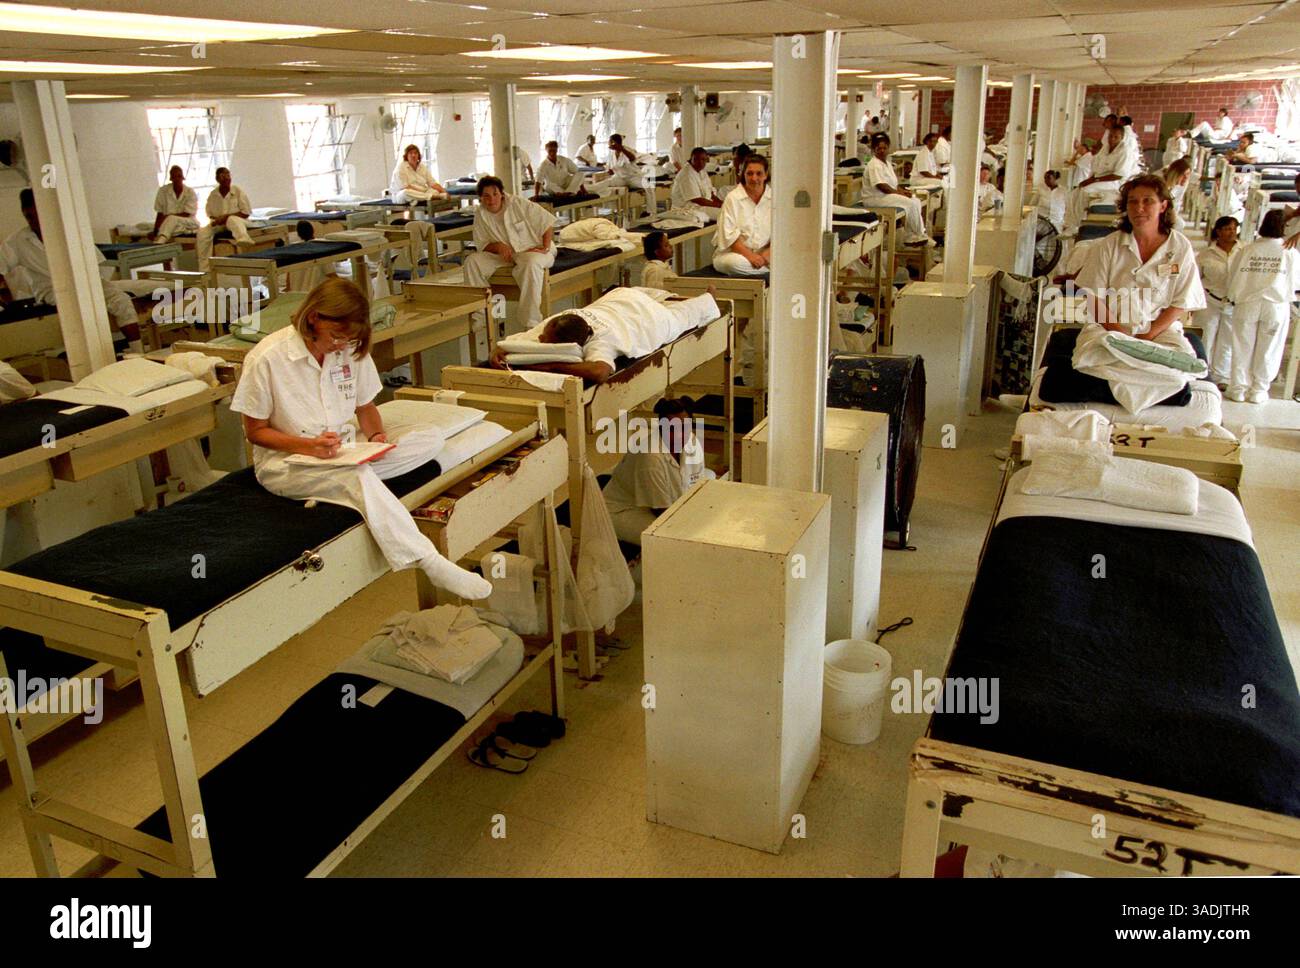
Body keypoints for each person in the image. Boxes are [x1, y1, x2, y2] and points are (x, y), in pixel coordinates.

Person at [231, 277, 491, 600]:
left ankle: (354, 475)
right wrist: (309, 447)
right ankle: (429, 559)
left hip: (342, 450)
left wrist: (377, 437)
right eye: (336, 336)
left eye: (348, 339)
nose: (341, 346)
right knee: (356, 475)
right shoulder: (267, 358)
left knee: (430, 438)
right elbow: (255, 432)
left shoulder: (350, 348)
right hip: (288, 463)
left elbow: (365, 407)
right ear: (314, 318)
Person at [1074, 174, 1205, 350]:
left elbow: (1181, 301)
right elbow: (1093, 297)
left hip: (1160, 331)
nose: (1139, 208)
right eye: (1133, 202)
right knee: (1095, 360)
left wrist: (1148, 335)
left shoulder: (1180, 247)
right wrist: (1119, 334)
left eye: (1147, 201)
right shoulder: (1109, 245)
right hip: (1108, 327)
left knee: (1178, 362)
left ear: (1163, 206)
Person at [0, 188, 142, 351]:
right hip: (51, 289)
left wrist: (92, 286)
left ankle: (138, 352)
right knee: (79, 305)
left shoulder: (70, 232)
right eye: (28, 217)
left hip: (86, 281)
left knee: (121, 300)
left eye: (36, 215)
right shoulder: (17, 241)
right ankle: (95, 352)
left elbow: (94, 264)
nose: (34, 221)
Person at [489, 286, 720, 384]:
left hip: (649, 319)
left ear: (571, 344)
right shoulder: (561, 319)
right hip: (620, 299)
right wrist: (499, 351)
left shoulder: (601, 342)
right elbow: (519, 340)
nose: (540, 340)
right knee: (663, 304)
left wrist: (553, 366)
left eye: (545, 341)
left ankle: (708, 297)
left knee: (680, 317)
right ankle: (665, 295)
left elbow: (600, 372)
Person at [601, 396, 706, 546]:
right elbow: (662, 513)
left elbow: (698, 487)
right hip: (625, 511)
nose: (679, 435)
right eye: (672, 429)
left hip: (661, 502)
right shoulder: (650, 457)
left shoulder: (692, 441)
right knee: (668, 539)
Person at [1223, 208, 1300, 403]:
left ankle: (1238, 389)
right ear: (1284, 227)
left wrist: (1233, 297)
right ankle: (1259, 390)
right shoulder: (1290, 252)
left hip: (1247, 304)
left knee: (1242, 346)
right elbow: (1295, 282)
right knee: (1269, 349)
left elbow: (1233, 278)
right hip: (1275, 306)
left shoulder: (1247, 250)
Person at [462, 176, 555, 332]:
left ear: (502, 194)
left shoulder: (518, 204)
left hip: (534, 249)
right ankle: (481, 315)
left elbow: (547, 222)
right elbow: (482, 244)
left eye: (495, 194)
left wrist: (545, 247)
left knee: (531, 264)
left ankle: (531, 321)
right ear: (481, 198)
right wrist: (498, 247)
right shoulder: (480, 213)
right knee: (472, 262)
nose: (491, 199)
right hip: (505, 255)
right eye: (486, 196)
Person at [1065, 123, 1140, 233]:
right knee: (1074, 193)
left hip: (1116, 181)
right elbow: (1097, 167)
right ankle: (1071, 223)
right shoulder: (1105, 148)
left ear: (1122, 138)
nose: (1112, 139)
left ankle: (1078, 223)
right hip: (1100, 178)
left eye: (1116, 137)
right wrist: (1089, 179)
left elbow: (1118, 175)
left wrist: (1094, 180)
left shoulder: (1125, 151)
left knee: (1085, 191)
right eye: (1111, 136)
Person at [860, 134, 931, 246]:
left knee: (916, 201)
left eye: (884, 148)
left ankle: (918, 234)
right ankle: (913, 236)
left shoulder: (887, 163)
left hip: (886, 195)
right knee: (910, 204)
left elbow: (893, 184)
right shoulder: (874, 165)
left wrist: (903, 192)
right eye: (879, 148)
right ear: (874, 150)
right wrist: (900, 194)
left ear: (888, 148)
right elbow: (881, 186)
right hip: (875, 198)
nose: (882, 151)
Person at [1193, 215, 1239, 386]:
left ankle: (1221, 376)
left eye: (1234, 228)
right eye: (1227, 229)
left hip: (1233, 302)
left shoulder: (1243, 252)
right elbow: (1195, 280)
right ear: (1218, 231)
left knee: (1227, 340)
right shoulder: (1205, 255)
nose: (1231, 232)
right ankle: (1202, 373)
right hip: (1209, 300)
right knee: (1206, 337)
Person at [713, 154, 772, 275]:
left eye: (759, 173)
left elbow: (781, 234)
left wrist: (766, 255)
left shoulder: (774, 198)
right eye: (749, 173)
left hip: (767, 254)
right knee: (732, 264)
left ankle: (768, 270)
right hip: (736, 255)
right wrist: (751, 257)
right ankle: (772, 272)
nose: (754, 178)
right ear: (743, 175)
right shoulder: (733, 198)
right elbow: (729, 237)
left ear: (766, 175)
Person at [196, 167, 253, 269]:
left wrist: (226, 217)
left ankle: (243, 238)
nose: (226, 178)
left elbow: (246, 213)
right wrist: (217, 220)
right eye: (223, 176)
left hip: (239, 221)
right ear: (217, 179)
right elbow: (209, 213)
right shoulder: (213, 195)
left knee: (231, 219)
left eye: (228, 175)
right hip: (220, 224)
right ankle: (204, 268)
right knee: (203, 232)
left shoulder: (237, 191)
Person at [670, 146, 723, 221]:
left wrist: (721, 203)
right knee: (723, 214)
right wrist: (718, 205)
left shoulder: (702, 171)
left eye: (703, 159)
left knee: (727, 210)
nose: (700, 162)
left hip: (699, 206)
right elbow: (697, 199)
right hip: (687, 209)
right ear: (691, 159)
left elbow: (710, 193)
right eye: (696, 159)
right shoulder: (687, 174)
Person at [151, 165, 198, 243]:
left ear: (182, 177)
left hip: (188, 221)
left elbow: (187, 214)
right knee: (171, 225)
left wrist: (168, 217)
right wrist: (155, 231)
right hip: (171, 224)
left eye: (179, 176)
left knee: (171, 219)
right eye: (174, 176)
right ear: (171, 178)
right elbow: (160, 213)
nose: (177, 179)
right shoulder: (163, 191)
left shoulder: (190, 192)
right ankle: (166, 234)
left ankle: (162, 239)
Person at [1160, 157, 1192, 232]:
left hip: (1168, 212)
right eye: (1183, 175)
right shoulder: (1160, 182)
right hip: (1158, 210)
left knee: (1180, 224)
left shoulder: (1182, 184)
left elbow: (1176, 203)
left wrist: (1172, 218)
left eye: (1188, 174)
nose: (1186, 178)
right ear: (1174, 174)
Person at [1033, 169, 1068, 234]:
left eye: (1048, 178)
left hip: (1057, 221)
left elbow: (1068, 208)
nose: (1046, 180)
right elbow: (1033, 203)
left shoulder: (1063, 191)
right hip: (1042, 220)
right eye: (1045, 178)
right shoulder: (1041, 189)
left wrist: (1066, 223)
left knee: (1056, 238)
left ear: (1055, 179)